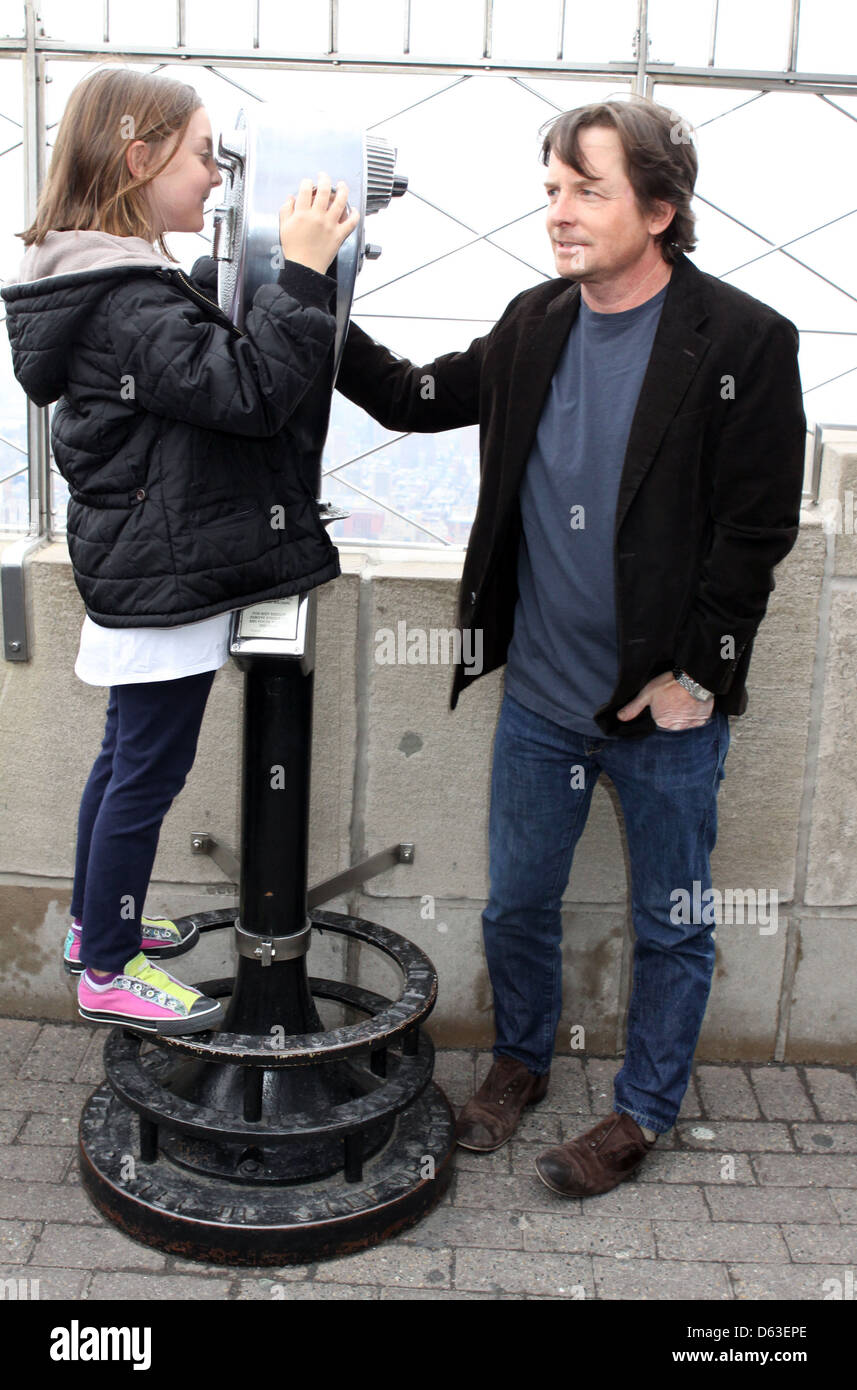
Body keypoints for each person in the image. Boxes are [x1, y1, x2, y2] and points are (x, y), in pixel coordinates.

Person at [335, 97, 806, 1196]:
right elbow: (411, 399)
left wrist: (697, 674)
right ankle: (518, 1064)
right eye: (550, 188)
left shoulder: (741, 340)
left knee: (671, 924)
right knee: (515, 904)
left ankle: (639, 1112)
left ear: (658, 206)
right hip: (540, 700)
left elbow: (755, 529)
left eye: (586, 190)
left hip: (661, 707)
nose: (557, 211)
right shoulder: (533, 321)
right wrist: (311, 303)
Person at [2, 67, 357, 1036]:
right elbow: (248, 391)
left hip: (140, 561)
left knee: (124, 756)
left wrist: (231, 276)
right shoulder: (126, 299)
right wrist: (304, 274)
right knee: (148, 770)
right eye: (205, 155)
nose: (214, 178)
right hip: (163, 576)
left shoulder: (107, 278)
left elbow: (179, 369)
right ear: (138, 154)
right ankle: (109, 969)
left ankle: (92, 926)